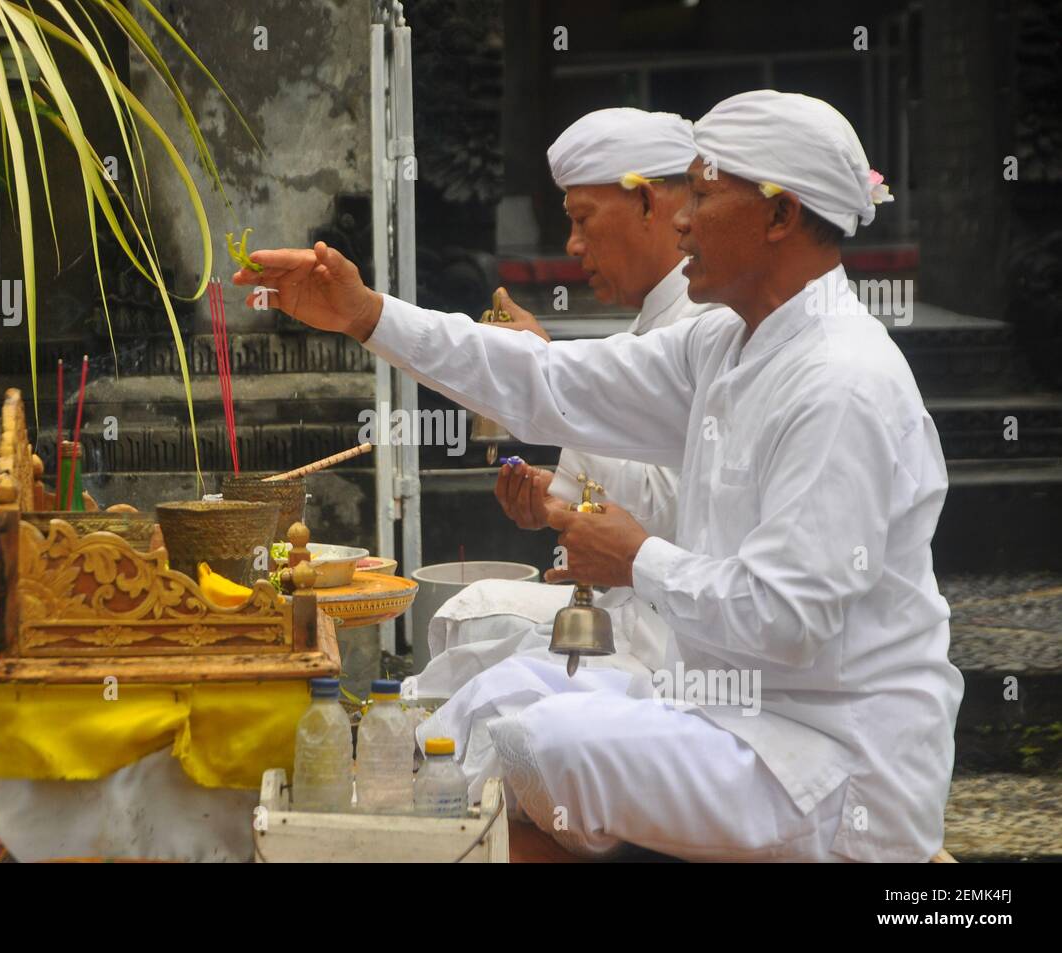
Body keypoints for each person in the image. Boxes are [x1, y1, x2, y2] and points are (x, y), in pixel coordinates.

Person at [234, 90, 964, 862]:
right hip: (726, 715)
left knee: (542, 742)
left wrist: (637, 558)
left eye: (706, 195)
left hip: (828, 761)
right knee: (486, 707)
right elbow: (547, 378)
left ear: (780, 217)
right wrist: (367, 314)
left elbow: (788, 617)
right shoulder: (726, 344)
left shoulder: (841, 380)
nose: (683, 218)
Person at [418, 108, 723, 702]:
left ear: (648, 204)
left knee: (492, 694)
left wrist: (551, 381)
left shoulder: (709, 321)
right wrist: (556, 500)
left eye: (583, 220)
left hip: (681, 632)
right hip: (640, 604)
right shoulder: (661, 318)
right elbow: (648, 480)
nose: (572, 245)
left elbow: (678, 510)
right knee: (464, 617)